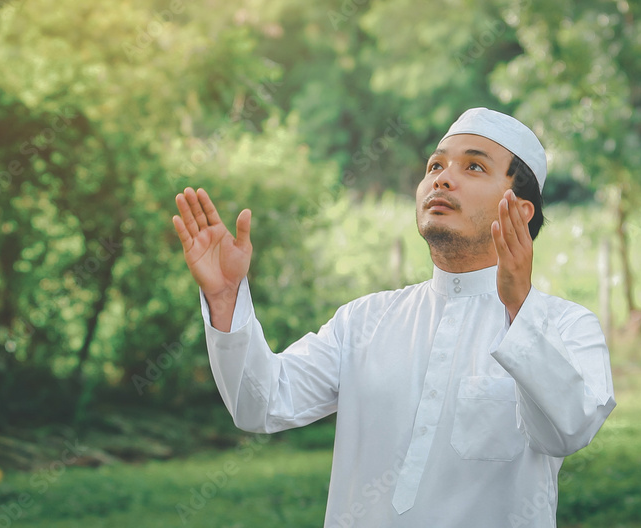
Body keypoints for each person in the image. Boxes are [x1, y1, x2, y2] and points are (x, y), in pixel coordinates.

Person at [171, 107, 616, 527]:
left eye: (473, 167)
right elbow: (261, 404)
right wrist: (226, 297)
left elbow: (567, 431)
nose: (443, 180)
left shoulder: (566, 326)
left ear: (519, 209)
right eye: (435, 167)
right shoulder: (365, 321)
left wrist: (519, 308)